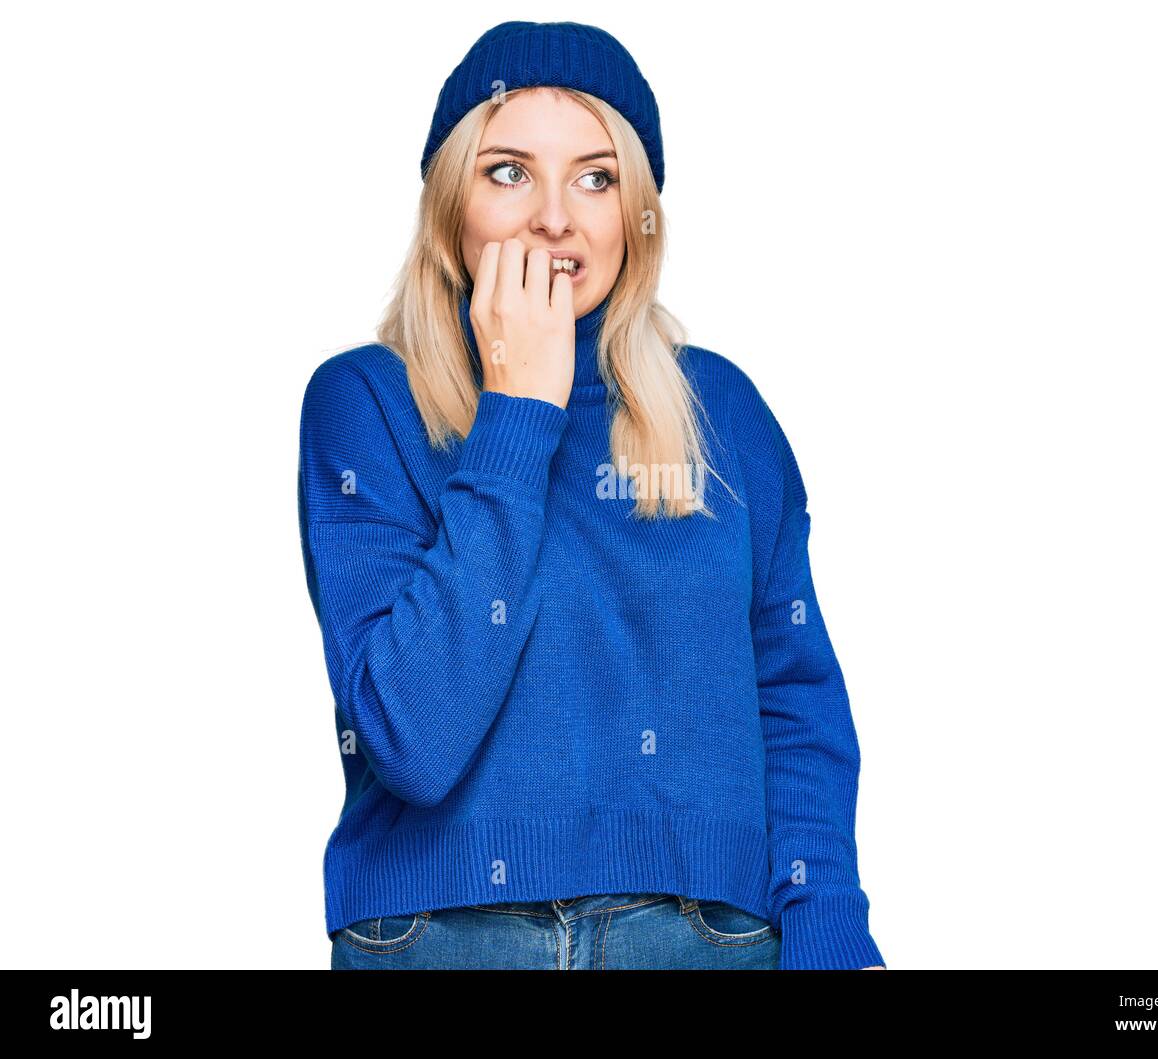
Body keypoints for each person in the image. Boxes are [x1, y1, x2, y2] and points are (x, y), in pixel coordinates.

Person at [297, 19, 887, 970]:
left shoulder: (722, 413)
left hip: (704, 941)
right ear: (452, 207)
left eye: (596, 176)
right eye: (508, 172)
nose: (556, 218)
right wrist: (519, 410)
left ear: (635, 211)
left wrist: (830, 935)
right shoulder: (365, 402)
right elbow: (408, 737)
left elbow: (797, 705)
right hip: (442, 941)